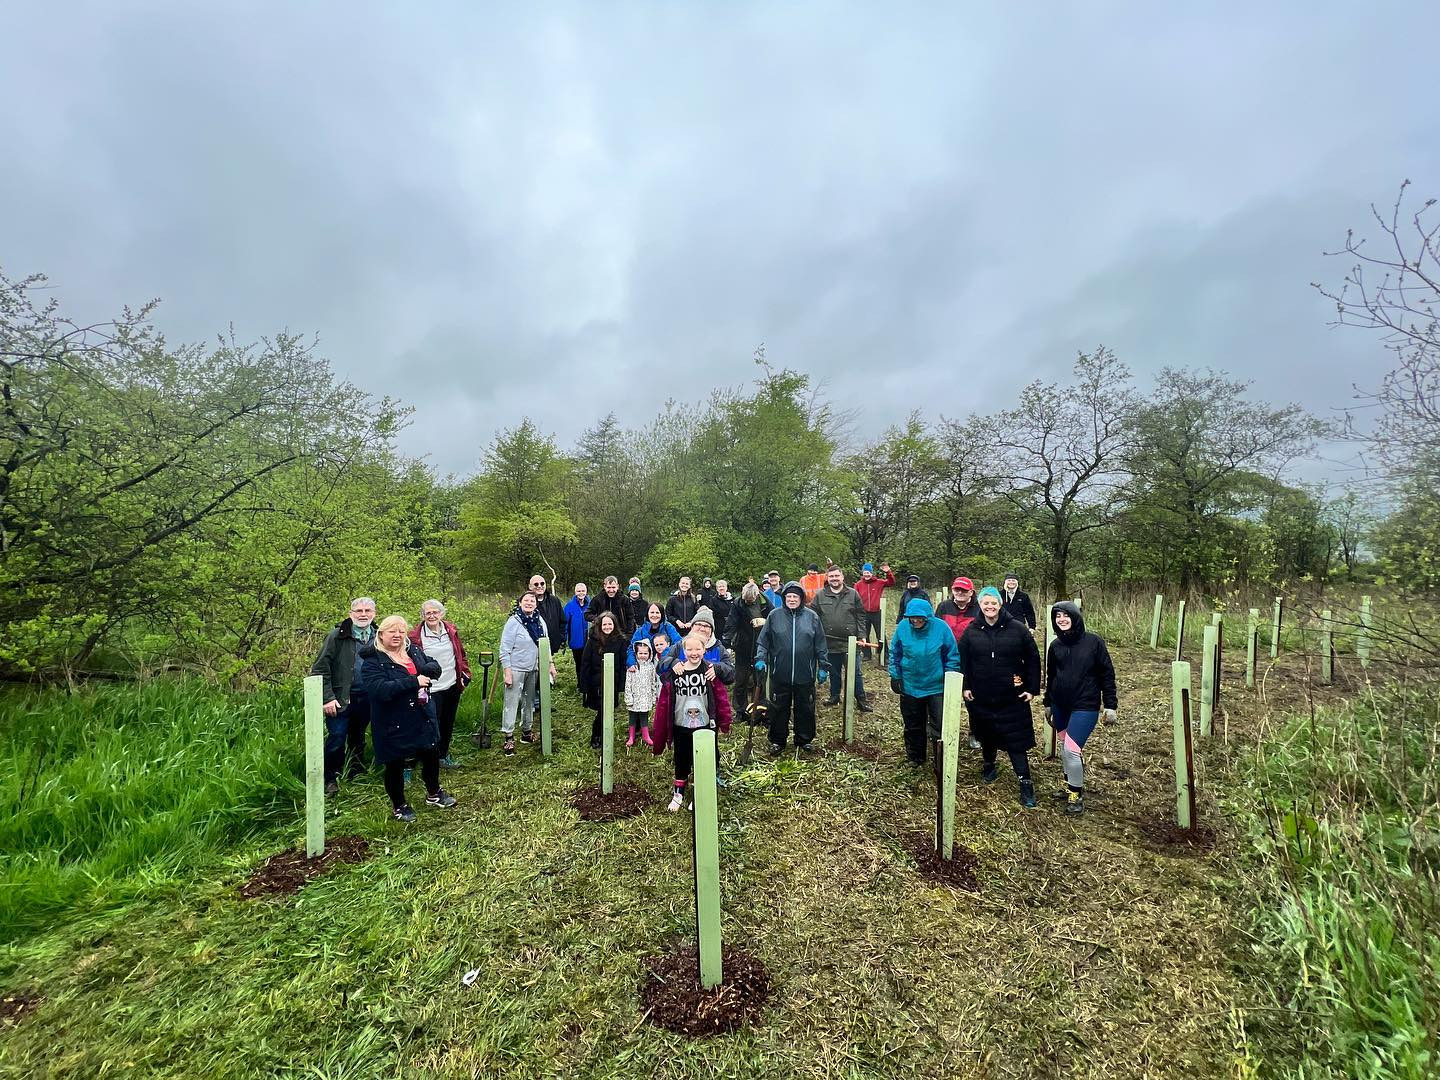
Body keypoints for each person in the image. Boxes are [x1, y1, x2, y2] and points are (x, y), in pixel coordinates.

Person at [361, 615, 457, 822]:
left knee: (431, 754)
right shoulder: (373, 661)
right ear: (381, 634)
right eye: (391, 632)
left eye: (401, 631)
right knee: (395, 763)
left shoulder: (412, 650)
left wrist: (427, 672)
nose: (397, 635)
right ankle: (399, 805)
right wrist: (414, 681)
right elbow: (380, 690)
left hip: (422, 713)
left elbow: (433, 666)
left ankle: (434, 793)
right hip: (392, 720)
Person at [957, 587, 1043, 808]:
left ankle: (1025, 783)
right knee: (986, 734)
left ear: (1000, 604)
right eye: (985, 603)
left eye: (993, 603)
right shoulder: (972, 630)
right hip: (982, 694)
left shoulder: (1018, 629)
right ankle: (989, 766)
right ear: (981, 605)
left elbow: (1033, 659)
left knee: (1016, 742)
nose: (990, 607)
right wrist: (965, 686)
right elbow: (963, 660)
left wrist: (1031, 688)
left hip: (1011, 697)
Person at [1042, 602, 1117, 814]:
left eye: (1066, 615)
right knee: (1066, 750)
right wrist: (1048, 703)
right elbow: (1051, 676)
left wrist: (1110, 705)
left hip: (1085, 706)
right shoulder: (1055, 646)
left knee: (1071, 751)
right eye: (1057, 616)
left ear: (1075, 617)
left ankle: (1076, 796)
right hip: (1061, 705)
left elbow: (1107, 674)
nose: (1062, 619)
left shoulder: (1094, 643)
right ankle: (1069, 786)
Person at [650, 633, 733, 811]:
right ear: (683, 651)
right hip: (681, 725)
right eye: (689, 649)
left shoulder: (710, 671)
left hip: (705, 726)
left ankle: (700, 792)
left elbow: (721, 697)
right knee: (681, 758)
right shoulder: (677, 671)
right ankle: (678, 792)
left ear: (704, 650)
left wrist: (724, 720)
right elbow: (664, 699)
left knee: (704, 760)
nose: (694, 652)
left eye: (698, 649)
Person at [310, 596, 377, 795]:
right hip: (340, 698)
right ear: (351, 614)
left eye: (367, 611)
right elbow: (320, 668)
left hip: (368, 697)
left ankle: (355, 771)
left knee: (358, 736)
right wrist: (327, 697)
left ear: (374, 614)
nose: (363, 615)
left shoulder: (378, 635)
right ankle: (330, 778)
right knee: (337, 737)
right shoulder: (337, 636)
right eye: (359, 611)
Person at [755, 581, 829, 754]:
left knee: (805, 708)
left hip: (805, 674)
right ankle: (778, 740)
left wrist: (823, 666)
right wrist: (761, 659)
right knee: (778, 709)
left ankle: (803, 740)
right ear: (784, 598)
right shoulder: (774, 616)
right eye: (788, 596)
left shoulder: (812, 617)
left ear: (801, 598)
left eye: (795, 596)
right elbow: (763, 642)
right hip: (780, 673)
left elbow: (820, 643)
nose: (792, 599)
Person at [888, 597, 962, 765]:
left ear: (928, 616)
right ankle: (916, 756)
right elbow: (895, 653)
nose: (915, 620)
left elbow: (951, 654)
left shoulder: (941, 628)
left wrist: (950, 677)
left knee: (939, 725)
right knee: (913, 724)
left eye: (919, 617)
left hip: (936, 685)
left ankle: (940, 758)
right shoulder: (902, 628)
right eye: (912, 617)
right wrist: (895, 675)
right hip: (910, 684)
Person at [408, 600, 472, 769]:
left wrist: (465, 674)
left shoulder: (450, 630)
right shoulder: (415, 637)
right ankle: (420, 760)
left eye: (435, 612)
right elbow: (411, 663)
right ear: (422, 615)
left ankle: (442, 756)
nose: (432, 616)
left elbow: (460, 654)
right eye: (428, 613)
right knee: (428, 725)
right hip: (430, 689)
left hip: (451, 685)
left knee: (447, 723)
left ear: (442, 614)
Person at [499, 591, 558, 756]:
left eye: (532, 600)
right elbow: (504, 649)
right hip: (516, 668)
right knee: (512, 702)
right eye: (526, 600)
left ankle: (526, 732)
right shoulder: (514, 622)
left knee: (529, 701)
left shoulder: (539, 621)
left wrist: (550, 665)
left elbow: (545, 645)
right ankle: (509, 737)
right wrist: (507, 672)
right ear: (520, 603)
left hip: (534, 668)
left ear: (536, 604)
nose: (529, 603)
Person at [813, 565, 872, 712]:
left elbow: (861, 616)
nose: (834, 579)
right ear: (827, 578)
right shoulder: (820, 595)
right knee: (834, 672)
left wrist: (862, 635)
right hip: (829, 642)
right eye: (831, 576)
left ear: (842, 577)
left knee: (856, 672)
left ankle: (861, 699)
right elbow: (813, 616)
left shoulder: (853, 594)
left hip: (851, 642)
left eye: (836, 576)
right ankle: (834, 696)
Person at [579, 611, 628, 749]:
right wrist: (584, 686)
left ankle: (606, 734)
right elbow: (585, 663)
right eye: (604, 624)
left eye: (610, 624)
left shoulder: (621, 641)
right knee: (602, 711)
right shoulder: (592, 641)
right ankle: (596, 735)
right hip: (596, 683)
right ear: (600, 626)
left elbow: (623, 663)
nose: (607, 626)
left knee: (609, 710)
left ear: (614, 625)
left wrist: (621, 685)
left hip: (613, 681)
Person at [657, 606, 735, 683]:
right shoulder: (680, 645)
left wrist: (718, 669)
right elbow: (661, 666)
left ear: (712, 630)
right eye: (698, 624)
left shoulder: (718, 649)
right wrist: (672, 663)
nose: (702, 628)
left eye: (707, 626)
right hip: (682, 693)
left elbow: (731, 675)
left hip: (710, 694)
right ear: (692, 627)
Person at [724, 581, 770, 706]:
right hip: (742, 645)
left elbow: (774, 619)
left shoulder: (764, 602)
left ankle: (760, 708)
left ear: (756, 596)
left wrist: (763, 621)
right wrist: (727, 641)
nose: (748, 602)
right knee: (740, 680)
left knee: (759, 679)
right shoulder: (738, 603)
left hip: (760, 645)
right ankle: (740, 709)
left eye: (750, 601)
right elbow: (731, 622)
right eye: (746, 600)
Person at [853, 562, 896, 663]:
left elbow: (891, 582)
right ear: (862, 573)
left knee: (880, 635)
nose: (866, 574)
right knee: (864, 634)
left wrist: (888, 572)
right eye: (865, 572)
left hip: (876, 612)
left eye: (868, 572)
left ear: (872, 573)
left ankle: (885, 655)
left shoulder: (879, 582)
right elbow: (854, 597)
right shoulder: (858, 584)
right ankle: (867, 655)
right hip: (863, 613)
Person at [623, 638, 661, 748]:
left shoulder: (651, 667)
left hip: (646, 697)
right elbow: (628, 684)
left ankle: (646, 735)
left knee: (644, 716)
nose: (643, 655)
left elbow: (653, 683)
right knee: (633, 717)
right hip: (634, 698)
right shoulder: (632, 667)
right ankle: (631, 736)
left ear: (650, 653)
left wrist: (653, 697)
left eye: (645, 653)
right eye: (640, 653)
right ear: (636, 653)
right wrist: (628, 698)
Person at [627, 602, 681, 667]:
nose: (654, 615)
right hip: (644, 666)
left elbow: (679, 644)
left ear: (662, 614)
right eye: (652, 612)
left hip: (665, 665)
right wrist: (631, 663)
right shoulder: (640, 631)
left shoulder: (668, 627)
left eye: (657, 613)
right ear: (647, 614)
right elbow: (632, 649)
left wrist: (672, 660)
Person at [562, 582, 592, 683]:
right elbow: (565, 624)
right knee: (579, 663)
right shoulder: (569, 606)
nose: (581, 593)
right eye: (579, 591)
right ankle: (581, 683)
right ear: (575, 592)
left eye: (583, 591)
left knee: (589, 662)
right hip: (576, 641)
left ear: (586, 591)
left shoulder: (591, 605)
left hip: (589, 641)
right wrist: (564, 639)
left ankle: (588, 683)